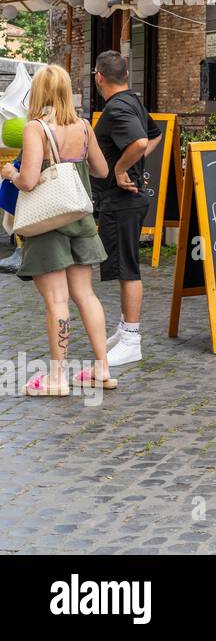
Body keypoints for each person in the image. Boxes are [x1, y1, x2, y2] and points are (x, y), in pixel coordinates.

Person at [1, 64, 115, 395]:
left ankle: (56, 378)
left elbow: (30, 180)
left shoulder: (35, 128)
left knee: (56, 300)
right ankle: (102, 368)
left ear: (38, 93)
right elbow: (102, 170)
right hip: (79, 217)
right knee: (86, 295)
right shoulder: (82, 127)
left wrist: (10, 173)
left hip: (47, 222)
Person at [92, 50, 162, 368]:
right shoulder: (131, 100)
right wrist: (133, 162)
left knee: (127, 269)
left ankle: (132, 338)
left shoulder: (118, 107)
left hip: (122, 201)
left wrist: (121, 169)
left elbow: (140, 142)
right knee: (124, 266)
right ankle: (125, 329)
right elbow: (154, 135)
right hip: (126, 201)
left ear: (100, 77)